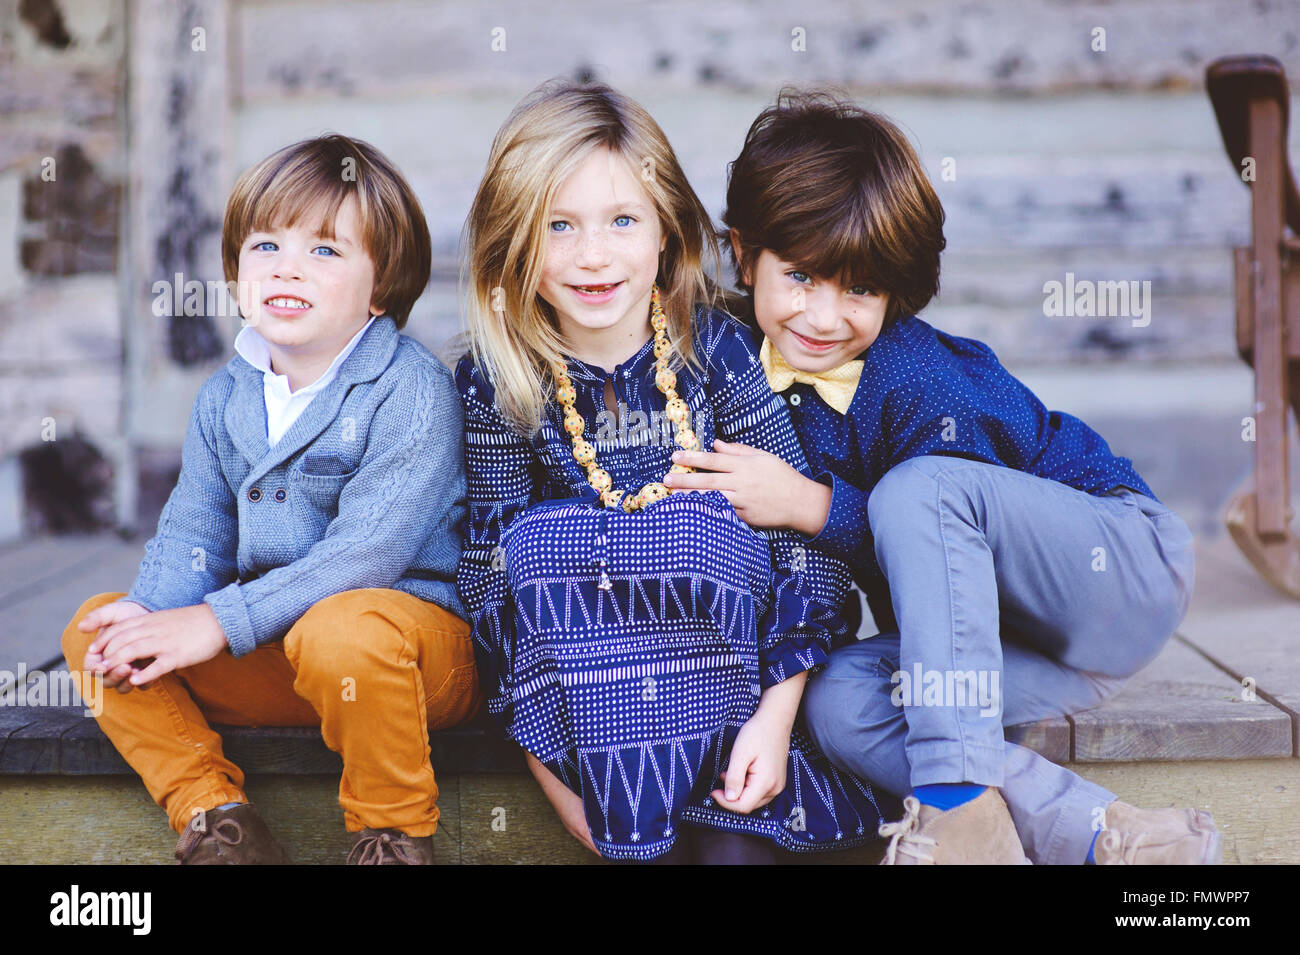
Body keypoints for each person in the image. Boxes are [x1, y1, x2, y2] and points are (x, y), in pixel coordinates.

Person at [665, 90, 1221, 865]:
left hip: (1117, 571)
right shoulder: (734, 366)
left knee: (920, 488)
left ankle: (961, 822)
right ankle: (1108, 836)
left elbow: (956, 549)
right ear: (744, 251)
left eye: (859, 288)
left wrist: (809, 506)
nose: (824, 315)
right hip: (1033, 653)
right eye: (800, 276)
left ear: (895, 288)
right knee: (843, 703)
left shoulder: (918, 377)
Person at [454, 78, 891, 863]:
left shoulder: (716, 350)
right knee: (536, 545)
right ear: (515, 238)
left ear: (665, 233)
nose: (593, 255)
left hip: (744, 705)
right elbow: (490, 586)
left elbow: (801, 547)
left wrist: (777, 713)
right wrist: (550, 773)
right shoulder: (500, 383)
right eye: (559, 225)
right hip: (598, 728)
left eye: (622, 220)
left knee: (734, 853)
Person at [61, 134, 480, 865]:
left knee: (343, 628)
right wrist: (155, 609)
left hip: (410, 658)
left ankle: (392, 836)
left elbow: (366, 554)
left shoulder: (410, 388)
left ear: (382, 284)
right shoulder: (226, 395)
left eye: (324, 250)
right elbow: (197, 527)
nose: (287, 266)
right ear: (235, 270)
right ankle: (217, 823)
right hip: (285, 655)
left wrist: (217, 619)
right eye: (265, 246)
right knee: (96, 634)